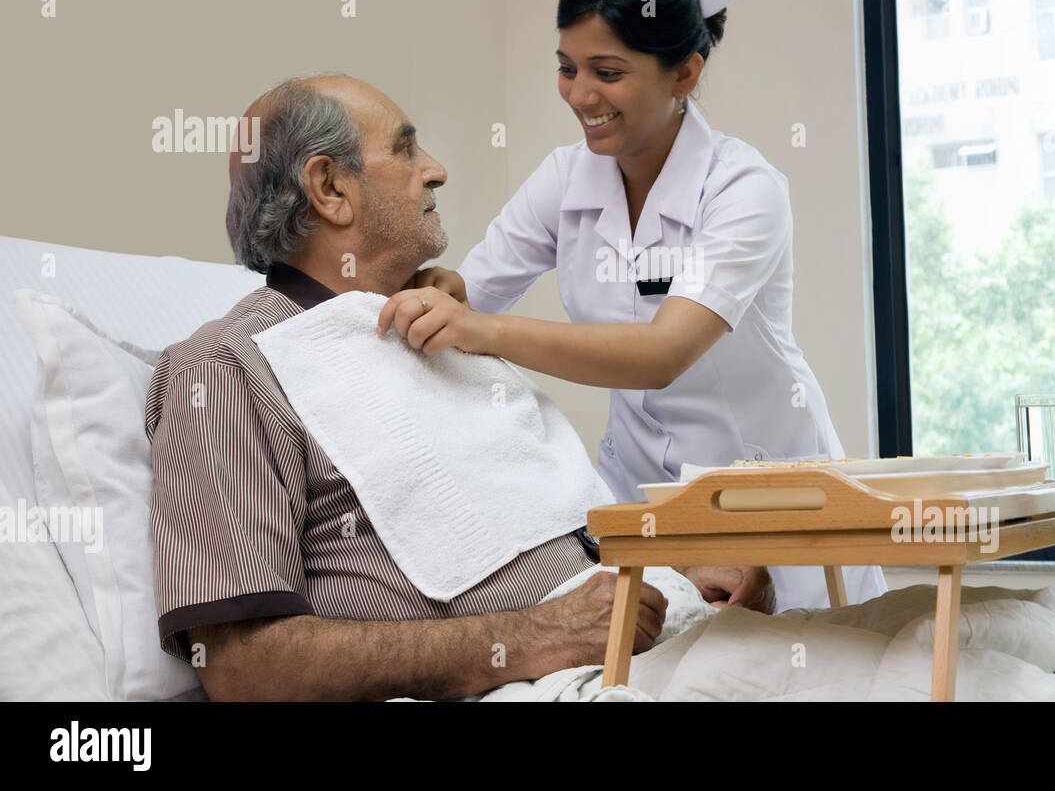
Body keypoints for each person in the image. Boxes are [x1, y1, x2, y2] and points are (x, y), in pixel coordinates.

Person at [147, 73, 771, 701]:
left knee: (870, 642)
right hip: (563, 681)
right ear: (331, 188)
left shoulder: (437, 327)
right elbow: (245, 669)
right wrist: (532, 636)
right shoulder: (228, 370)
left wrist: (687, 569)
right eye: (406, 149)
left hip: (663, 645)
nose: (436, 170)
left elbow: (547, 544)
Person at [379, 0, 886, 612]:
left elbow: (662, 352)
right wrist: (418, 286)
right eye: (566, 68)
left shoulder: (744, 190)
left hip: (779, 512)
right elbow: (467, 289)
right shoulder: (566, 177)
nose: (580, 95)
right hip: (648, 511)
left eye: (608, 72)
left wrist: (478, 331)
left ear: (684, 72)